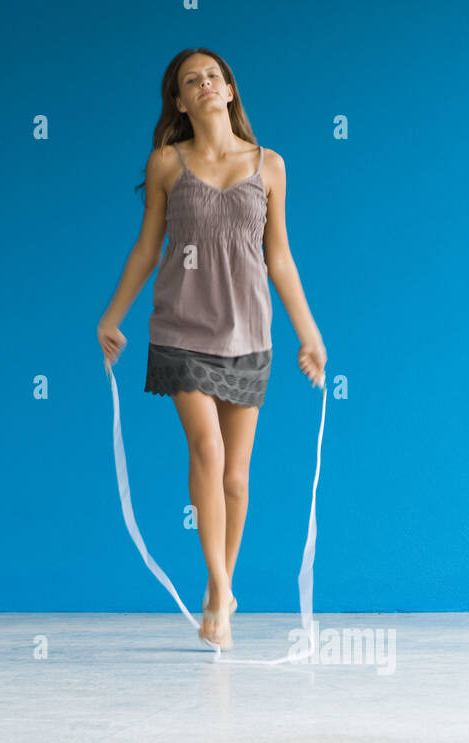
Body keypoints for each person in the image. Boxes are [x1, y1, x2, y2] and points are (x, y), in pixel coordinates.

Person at [97, 47, 327, 648]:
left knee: (238, 477)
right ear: (179, 101)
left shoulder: (270, 165)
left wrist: (309, 333)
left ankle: (220, 586)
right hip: (181, 330)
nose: (203, 84)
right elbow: (147, 249)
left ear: (229, 91)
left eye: (213, 76)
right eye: (189, 81)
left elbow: (279, 257)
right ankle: (220, 590)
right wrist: (114, 315)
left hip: (249, 334)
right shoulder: (167, 165)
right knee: (206, 448)